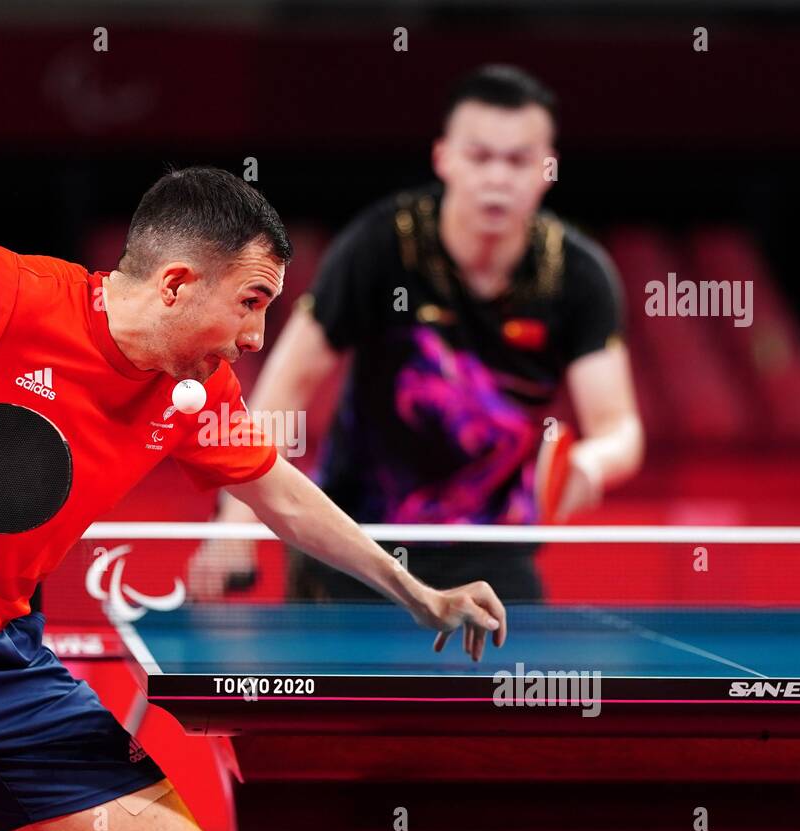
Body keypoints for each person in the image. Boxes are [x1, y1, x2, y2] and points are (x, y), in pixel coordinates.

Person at [0, 167, 507, 831]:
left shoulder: (193, 392)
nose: (256, 338)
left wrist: (417, 591)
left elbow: (282, 494)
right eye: (250, 303)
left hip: (4, 659)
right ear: (176, 283)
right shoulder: (5, 294)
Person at [189, 66, 644, 604]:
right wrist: (233, 525)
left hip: (495, 549)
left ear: (548, 168)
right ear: (443, 158)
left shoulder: (578, 275)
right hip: (354, 546)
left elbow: (619, 429)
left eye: (519, 160)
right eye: (480, 156)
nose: (498, 177)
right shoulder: (382, 247)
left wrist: (592, 462)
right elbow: (282, 394)